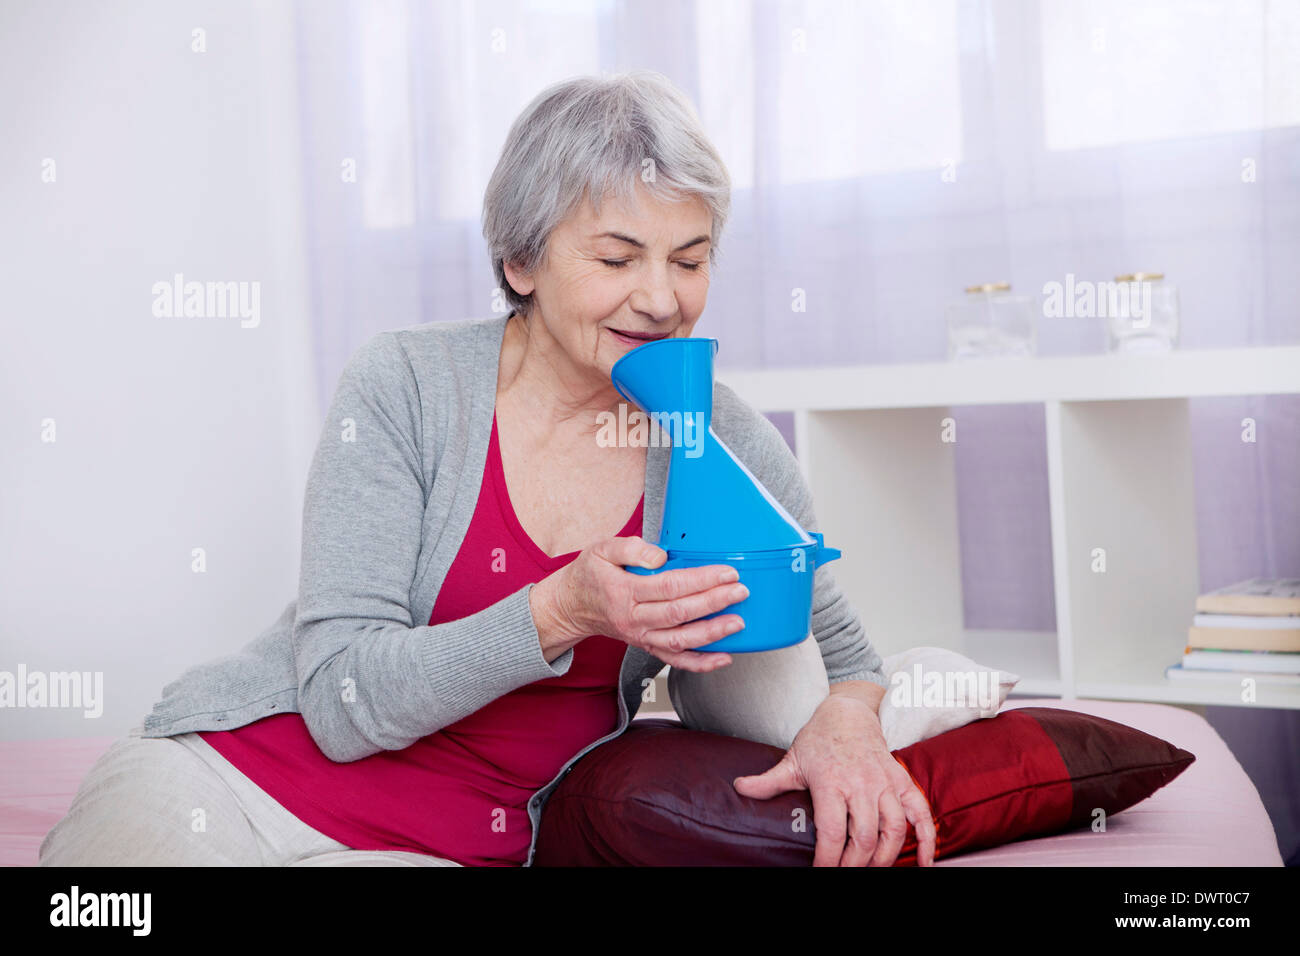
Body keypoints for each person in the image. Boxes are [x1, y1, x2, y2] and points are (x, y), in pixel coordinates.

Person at [40, 70, 935, 868]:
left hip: (450, 846)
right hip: (232, 785)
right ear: (521, 260)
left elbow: (847, 655)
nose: (663, 299)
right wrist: (562, 609)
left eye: (690, 260)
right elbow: (344, 705)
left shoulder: (718, 433)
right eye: (617, 258)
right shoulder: (406, 385)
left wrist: (847, 725)